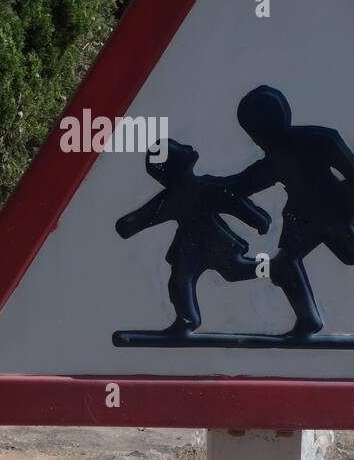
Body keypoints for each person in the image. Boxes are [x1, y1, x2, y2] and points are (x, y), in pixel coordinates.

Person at [224, 85, 354, 337]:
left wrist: (349, 200)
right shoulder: (301, 146)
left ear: (260, 132)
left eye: (254, 134)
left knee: (302, 260)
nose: (256, 141)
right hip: (311, 213)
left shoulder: (308, 143)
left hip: (320, 212)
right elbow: (246, 182)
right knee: (346, 253)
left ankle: (309, 319)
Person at [115, 139, 270, 336]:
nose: (188, 148)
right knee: (180, 280)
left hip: (213, 242)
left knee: (233, 271)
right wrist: (257, 220)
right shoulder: (174, 196)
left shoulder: (196, 189)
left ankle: (275, 268)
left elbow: (232, 202)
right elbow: (147, 215)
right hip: (192, 246)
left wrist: (257, 220)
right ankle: (187, 320)